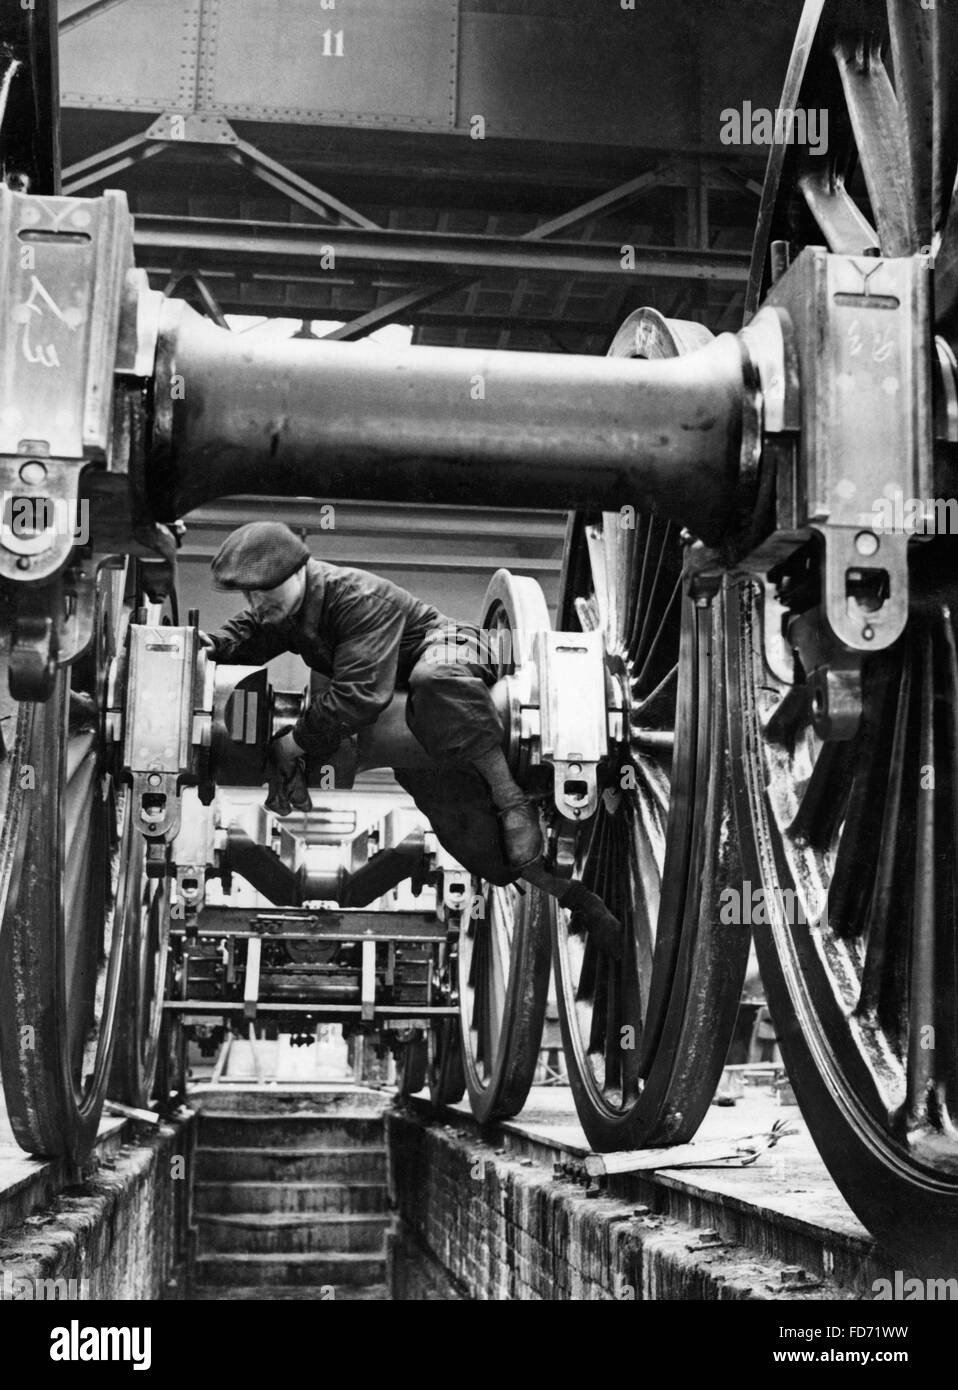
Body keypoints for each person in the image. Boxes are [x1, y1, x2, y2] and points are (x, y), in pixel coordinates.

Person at [202, 522, 622, 954]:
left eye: (263, 592)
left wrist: (291, 744)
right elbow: (246, 634)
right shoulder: (285, 609)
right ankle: (576, 898)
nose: (256, 603)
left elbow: (359, 698)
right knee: (476, 845)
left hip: (449, 652)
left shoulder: (356, 598)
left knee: (435, 679)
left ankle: (510, 796)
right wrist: (208, 648)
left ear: (297, 573)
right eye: (248, 595)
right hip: (415, 725)